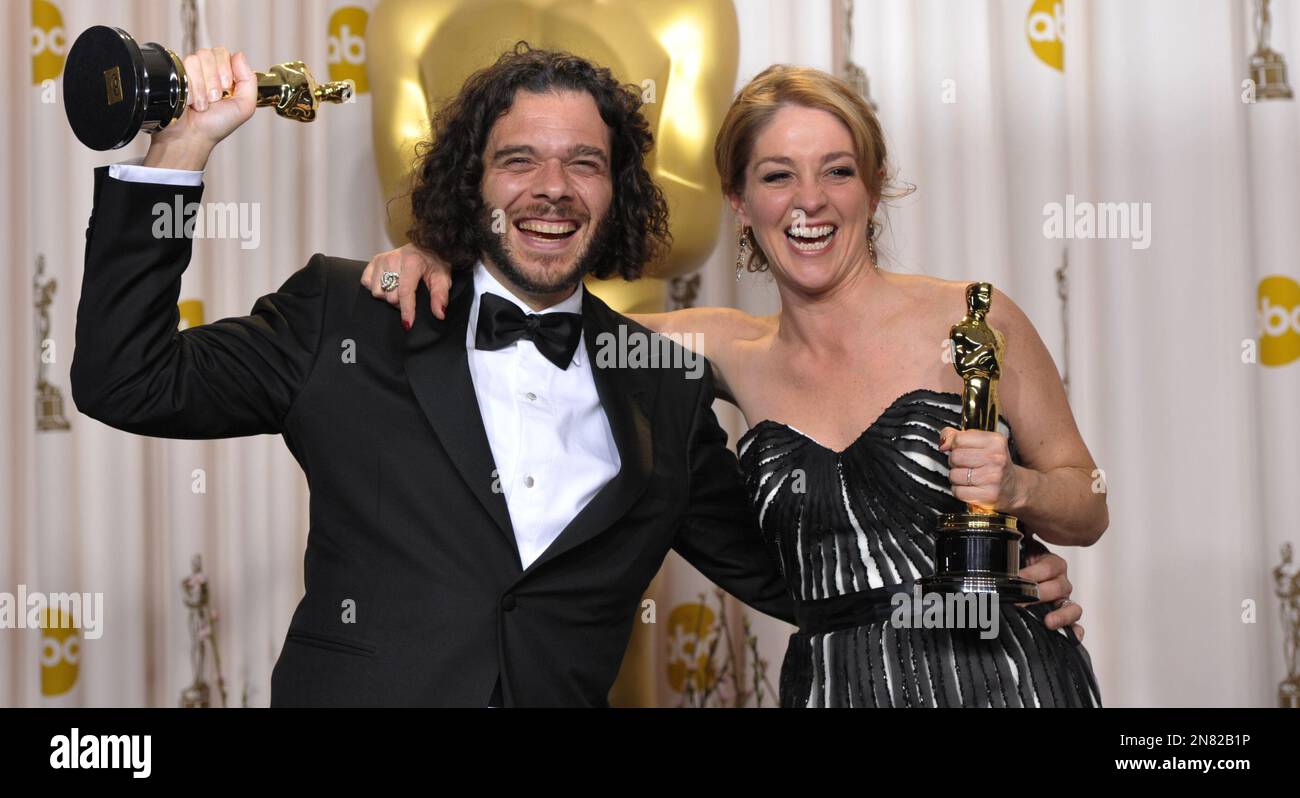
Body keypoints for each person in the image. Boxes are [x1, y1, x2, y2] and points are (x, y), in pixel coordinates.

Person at [364, 63, 1104, 707]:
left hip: (1001, 675)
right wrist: (434, 255)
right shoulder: (722, 348)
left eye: (837, 170)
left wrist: (1022, 494)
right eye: (777, 175)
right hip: (833, 684)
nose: (808, 201)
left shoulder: (973, 316)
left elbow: (1088, 499)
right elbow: (540, 309)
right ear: (740, 203)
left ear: (873, 188)